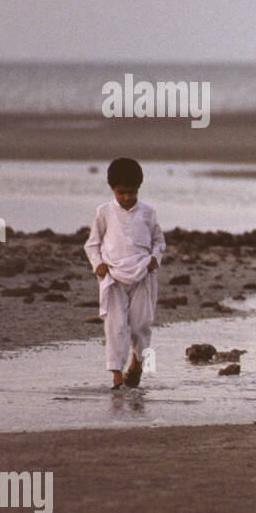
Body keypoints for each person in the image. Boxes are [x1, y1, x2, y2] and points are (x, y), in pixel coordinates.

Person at [83, 157, 165, 390]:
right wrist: (98, 264)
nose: (127, 197)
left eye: (132, 192)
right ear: (112, 188)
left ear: (139, 188)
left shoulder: (148, 212)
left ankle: (137, 364)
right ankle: (117, 378)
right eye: (122, 193)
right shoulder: (104, 212)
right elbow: (92, 244)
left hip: (143, 274)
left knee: (141, 323)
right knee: (116, 326)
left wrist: (154, 259)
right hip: (113, 277)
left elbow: (159, 241)